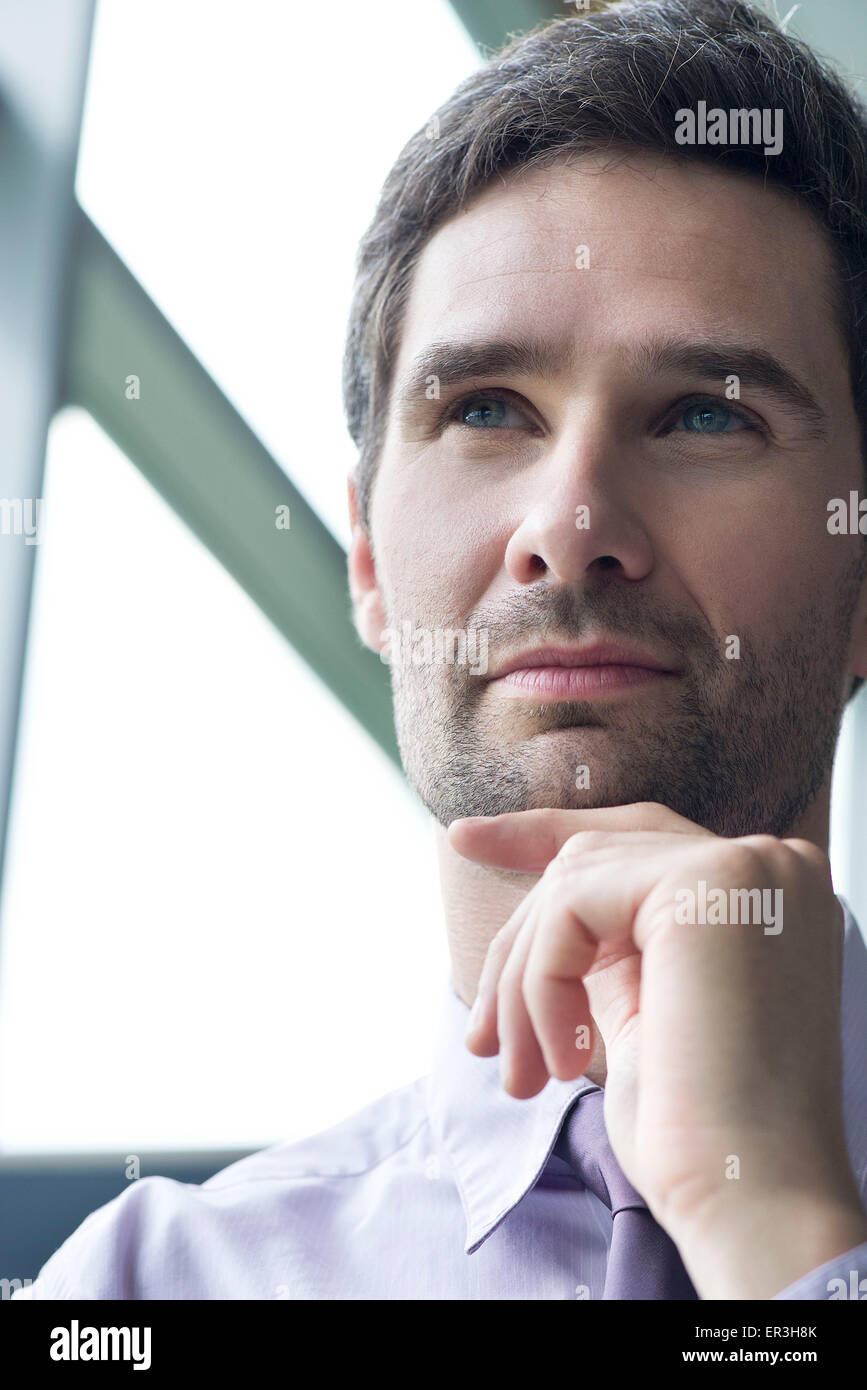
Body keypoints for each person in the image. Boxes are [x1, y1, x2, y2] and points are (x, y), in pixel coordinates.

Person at [15, 0, 867, 1299]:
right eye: (485, 410)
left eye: (704, 415)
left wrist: (788, 1225)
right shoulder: (144, 1286)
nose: (571, 531)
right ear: (367, 559)